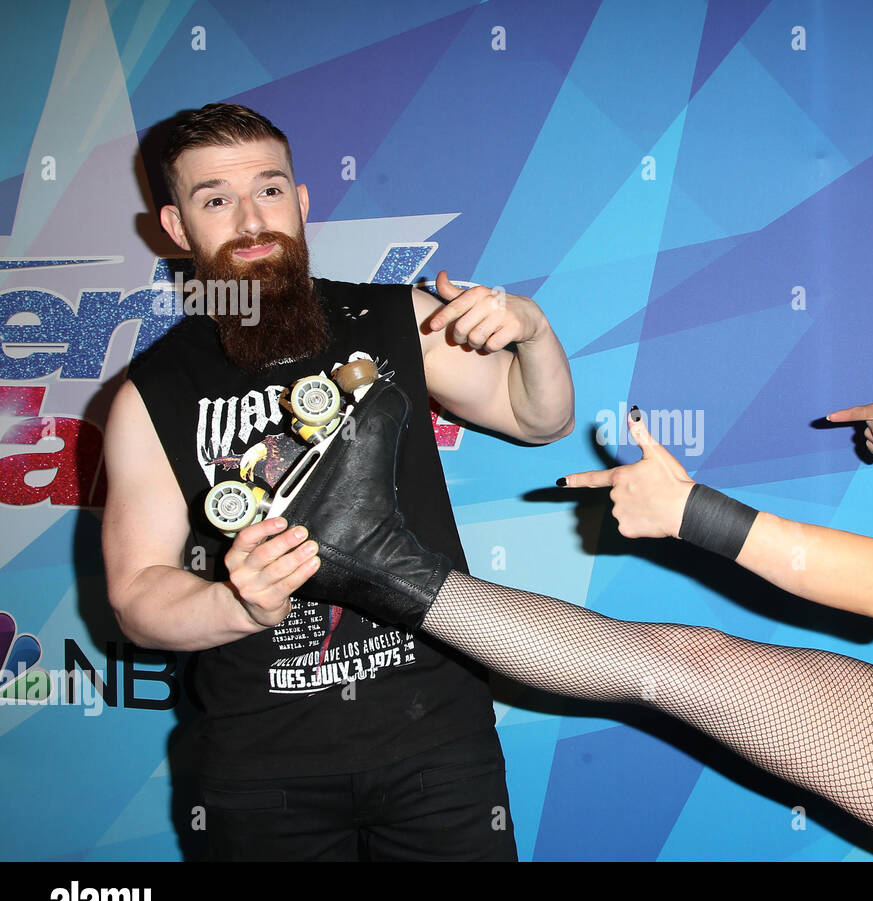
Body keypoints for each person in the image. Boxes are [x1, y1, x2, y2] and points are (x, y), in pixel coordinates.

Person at [232, 113, 873, 861]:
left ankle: (376, 558)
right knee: (676, 661)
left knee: (673, 664)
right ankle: (374, 558)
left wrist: (691, 515)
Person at [101, 103, 575, 861]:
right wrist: (234, 602)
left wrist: (535, 334)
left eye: (270, 188)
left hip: (436, 745)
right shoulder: (150, 393)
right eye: (216, 198)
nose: (253, 219)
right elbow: (137, 599)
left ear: (303, 200)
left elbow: (536, 416)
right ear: (177, 227)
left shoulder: (392, 316)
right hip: (260, 769)